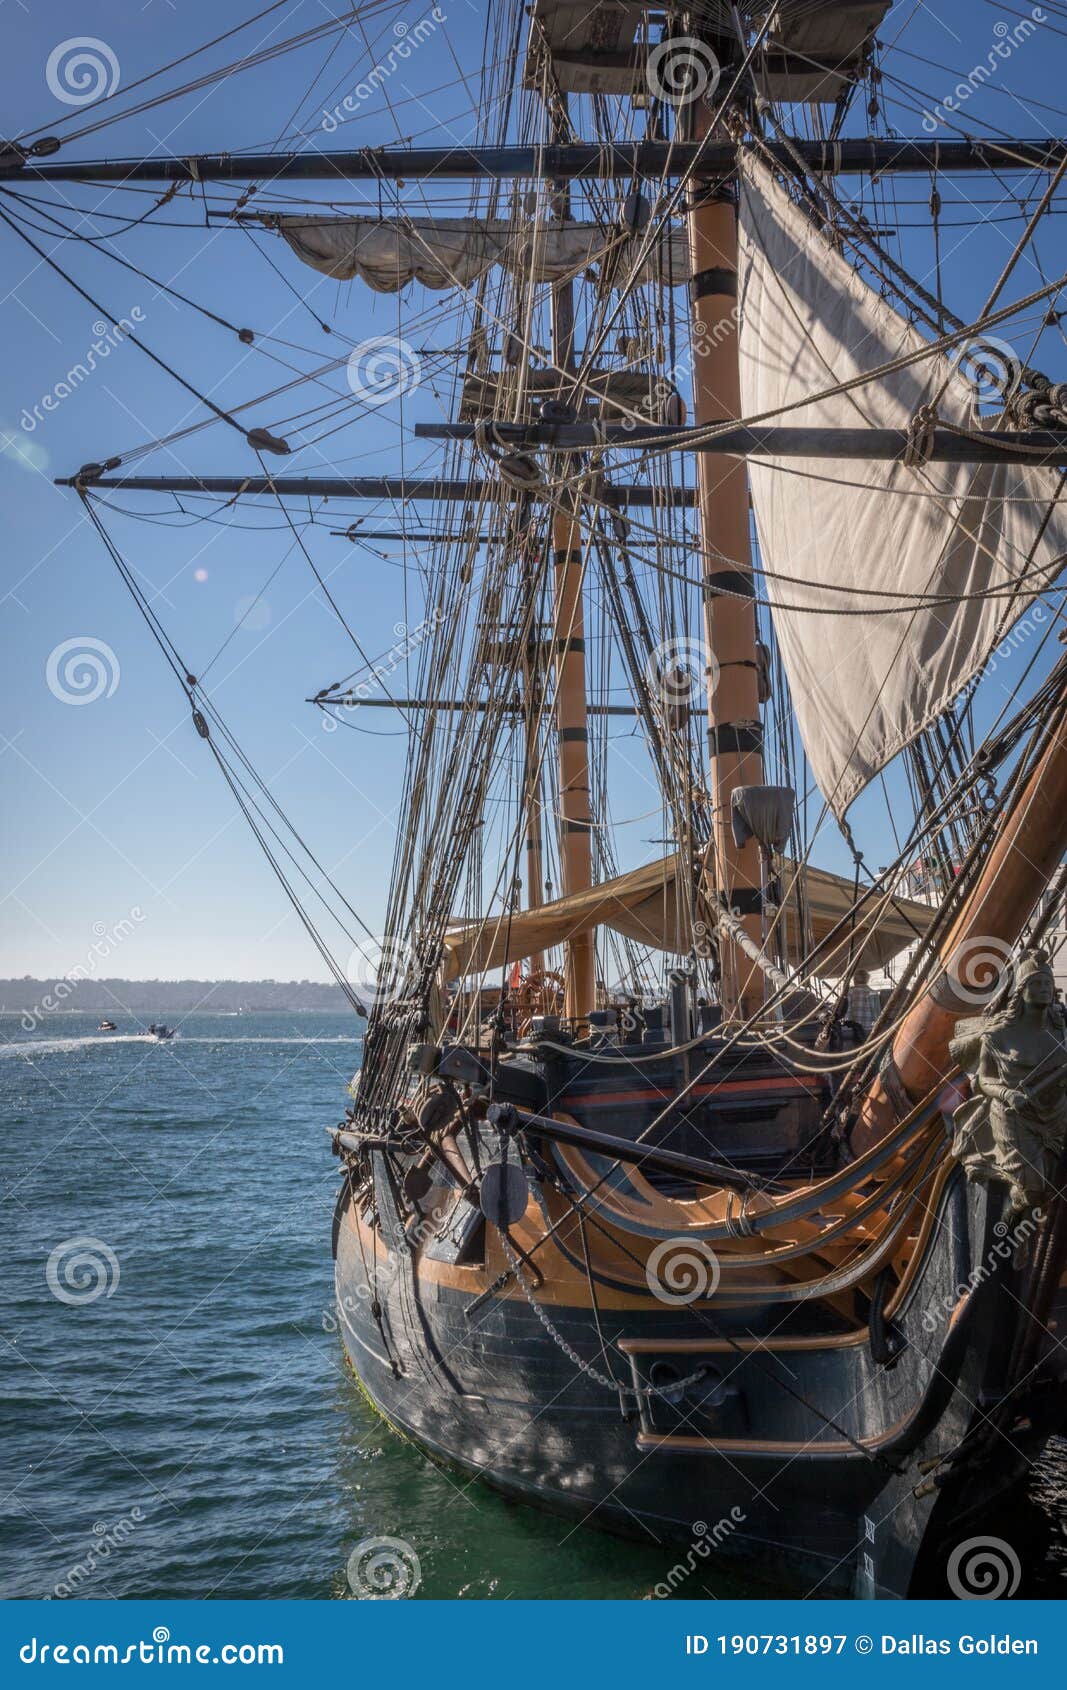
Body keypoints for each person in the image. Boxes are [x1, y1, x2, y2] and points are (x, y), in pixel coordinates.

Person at [845, 969, 880, 1039]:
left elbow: (847, 1012)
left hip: (855, 1029)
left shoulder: (850, 992)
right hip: (869, 1029)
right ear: (867, 980)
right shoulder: (874, 993)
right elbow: (877, 1014)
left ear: (855, 980)